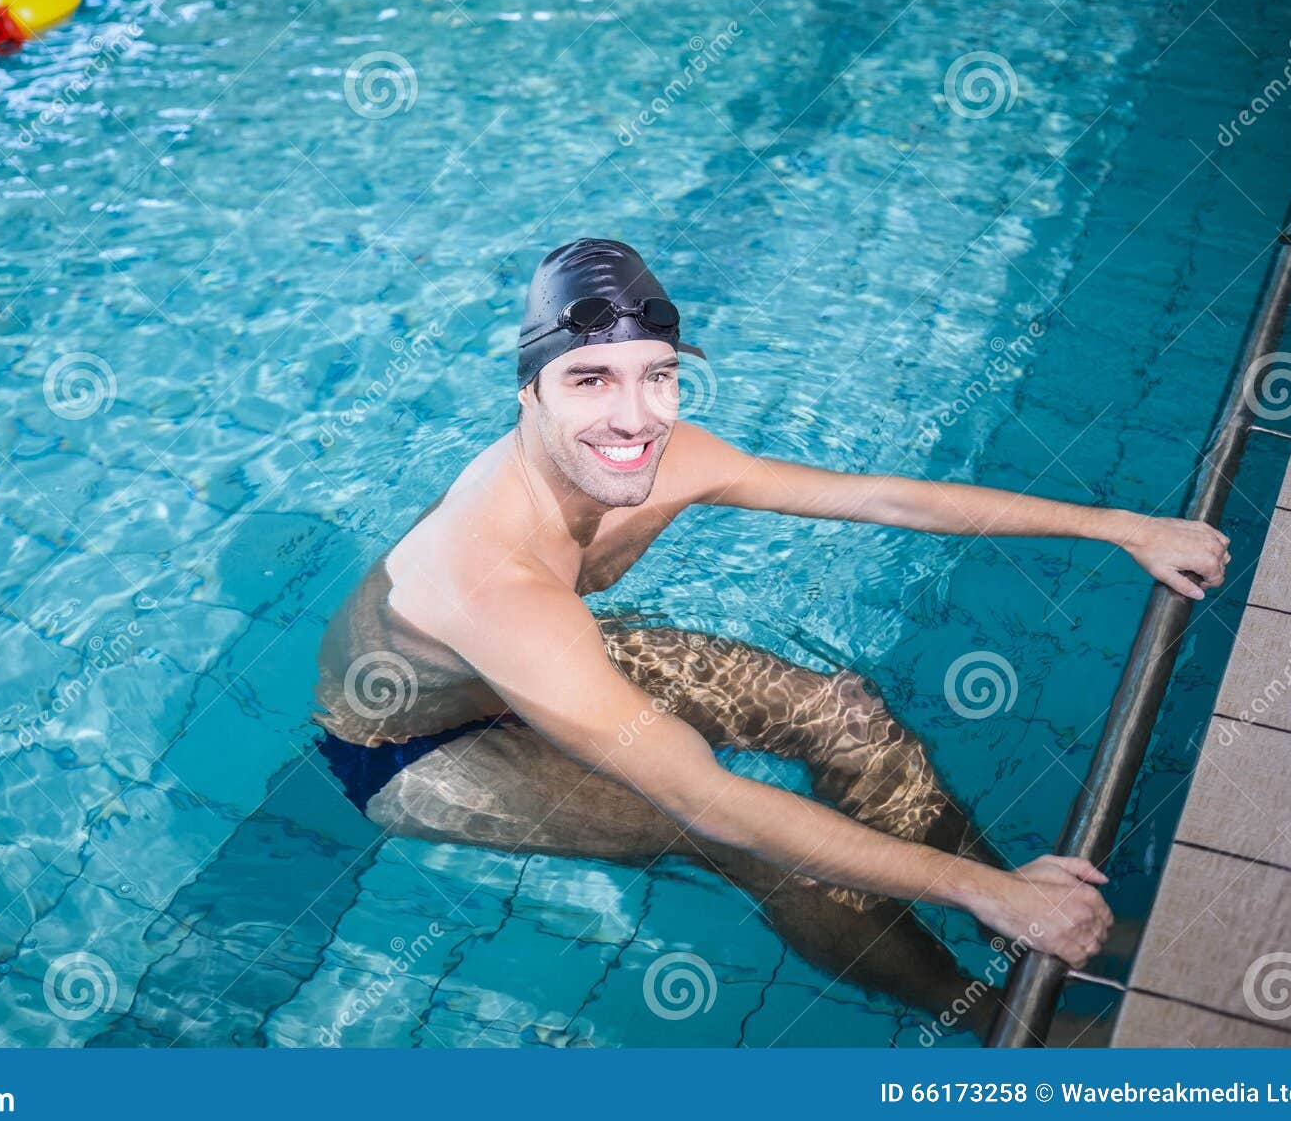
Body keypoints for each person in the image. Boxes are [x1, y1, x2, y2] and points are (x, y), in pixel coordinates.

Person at [310, 237, 1231, 1029]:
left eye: (657, 375)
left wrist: (1123, 527)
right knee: (753, 843)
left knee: (842, 713)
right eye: (590, 380)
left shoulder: (660, 455)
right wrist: (978, 887)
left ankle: (1021, 921)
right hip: (416, 748)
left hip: (538, 665)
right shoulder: (495, 581)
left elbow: (883, 498)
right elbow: (709, 800)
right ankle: (1005, 1019)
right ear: (530, 392)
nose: (634, 417)